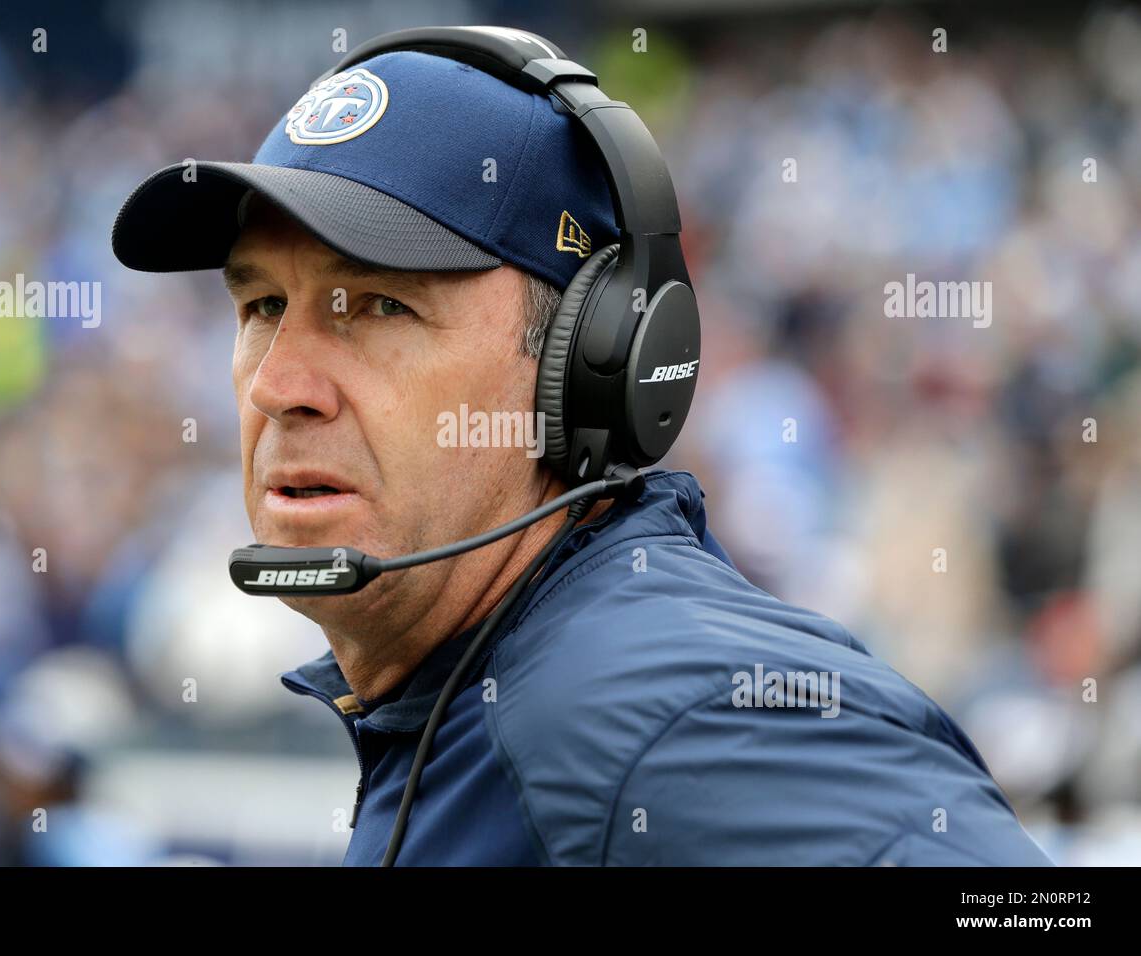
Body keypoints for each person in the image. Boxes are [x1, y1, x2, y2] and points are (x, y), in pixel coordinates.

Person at [111, 31, 1053, 866]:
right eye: (262, 306)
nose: (278, 385)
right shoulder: (490, 698)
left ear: (593, 366)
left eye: (380, 306)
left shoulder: (668, 716)